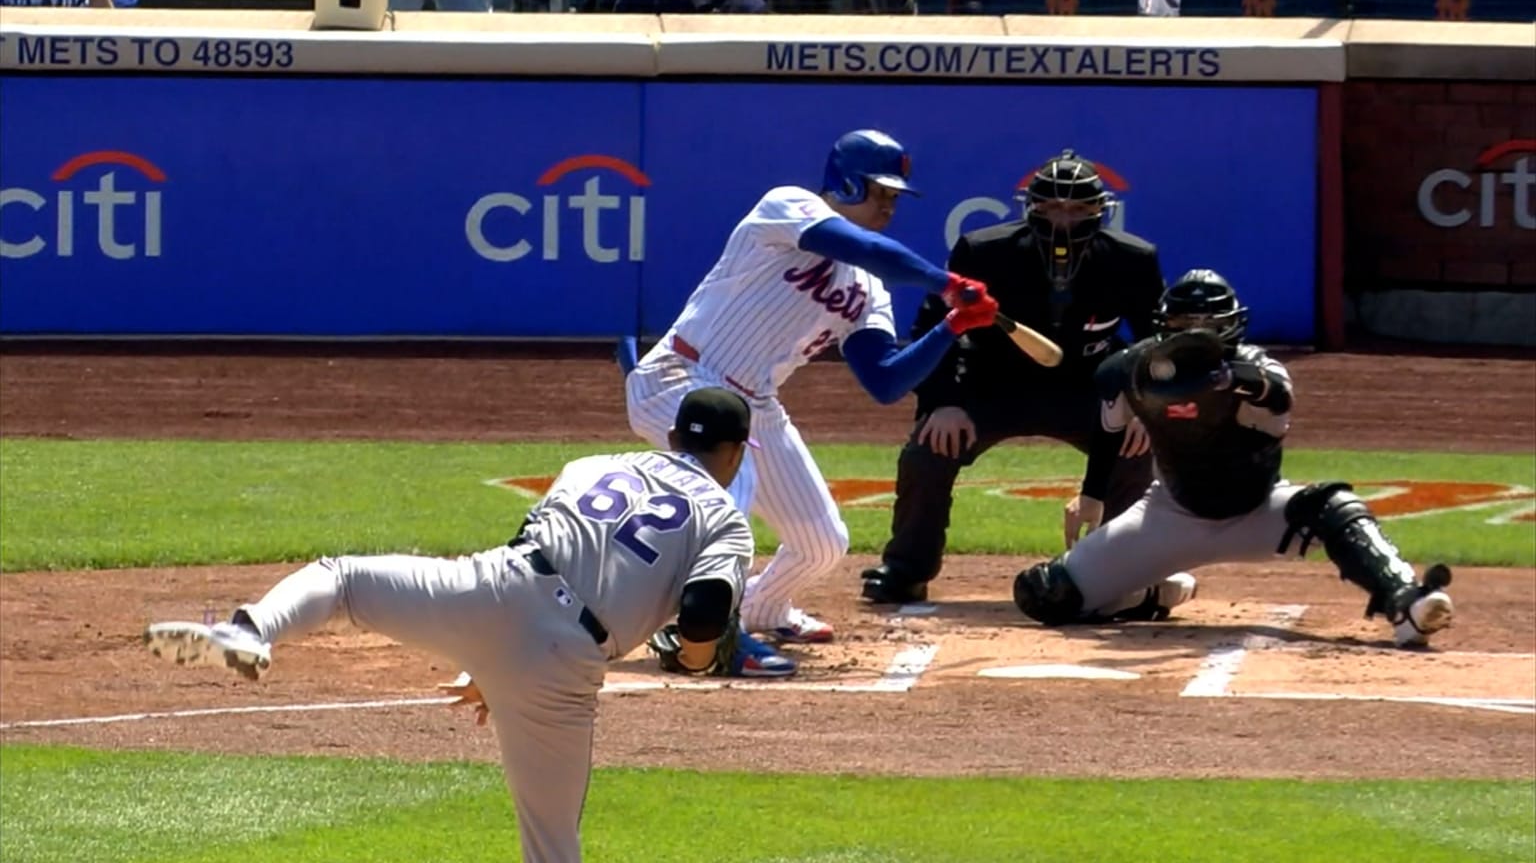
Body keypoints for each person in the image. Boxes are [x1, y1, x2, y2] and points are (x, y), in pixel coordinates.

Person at [143, 387, 792, 863]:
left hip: (490, 587)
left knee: (341, 579)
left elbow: (533, 547)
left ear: (675, 437)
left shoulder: (596, 464)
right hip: (561, 666)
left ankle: (252, 630)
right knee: (552, 847)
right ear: (734, 453)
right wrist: (699, 659)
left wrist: (484, 656)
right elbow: (705, 611)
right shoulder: (725, 521)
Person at [623, 128, 1000, 659]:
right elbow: (865, 246)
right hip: (682, 379)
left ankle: (763, 607)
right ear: (845, 183)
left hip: (756, 405)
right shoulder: (787, 206)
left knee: (822, 543)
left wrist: (952, 327)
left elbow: (885, 380)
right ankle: (705, 632)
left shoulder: (869, 290)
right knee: (733, 502)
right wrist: (944, 283)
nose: (888, 206)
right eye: (879, 192)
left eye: (895, 197)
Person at [1011, 269, 1455, 647]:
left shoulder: (1259, 369)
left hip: (1258, 511)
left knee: (1332, 506)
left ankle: (1407, 602)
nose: (1196, 332)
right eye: (1186, 321)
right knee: (1044, 595)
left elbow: (1275, 394)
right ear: (1165, 324)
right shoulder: (1136, 371)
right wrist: (1092, 494)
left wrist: (1225, 379)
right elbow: (1108, 426)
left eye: (1208, 322)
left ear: (1233, 325)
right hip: (1167, 517)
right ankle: (1154, 594)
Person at [860, 148, 1174, 606]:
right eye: (1051, 207)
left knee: (1133, 450)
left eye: (1078, 208)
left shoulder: (1133, 259)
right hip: (991, 385)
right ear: (1031, 208)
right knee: (928, 450)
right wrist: (943, 401)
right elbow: (934, 327)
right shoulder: (984, 250)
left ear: (1099, 211)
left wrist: (1147, 409)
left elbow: (1153, 343)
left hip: (1087, 389)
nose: (1063, 218)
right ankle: (907, 569)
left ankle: (1123, 571)